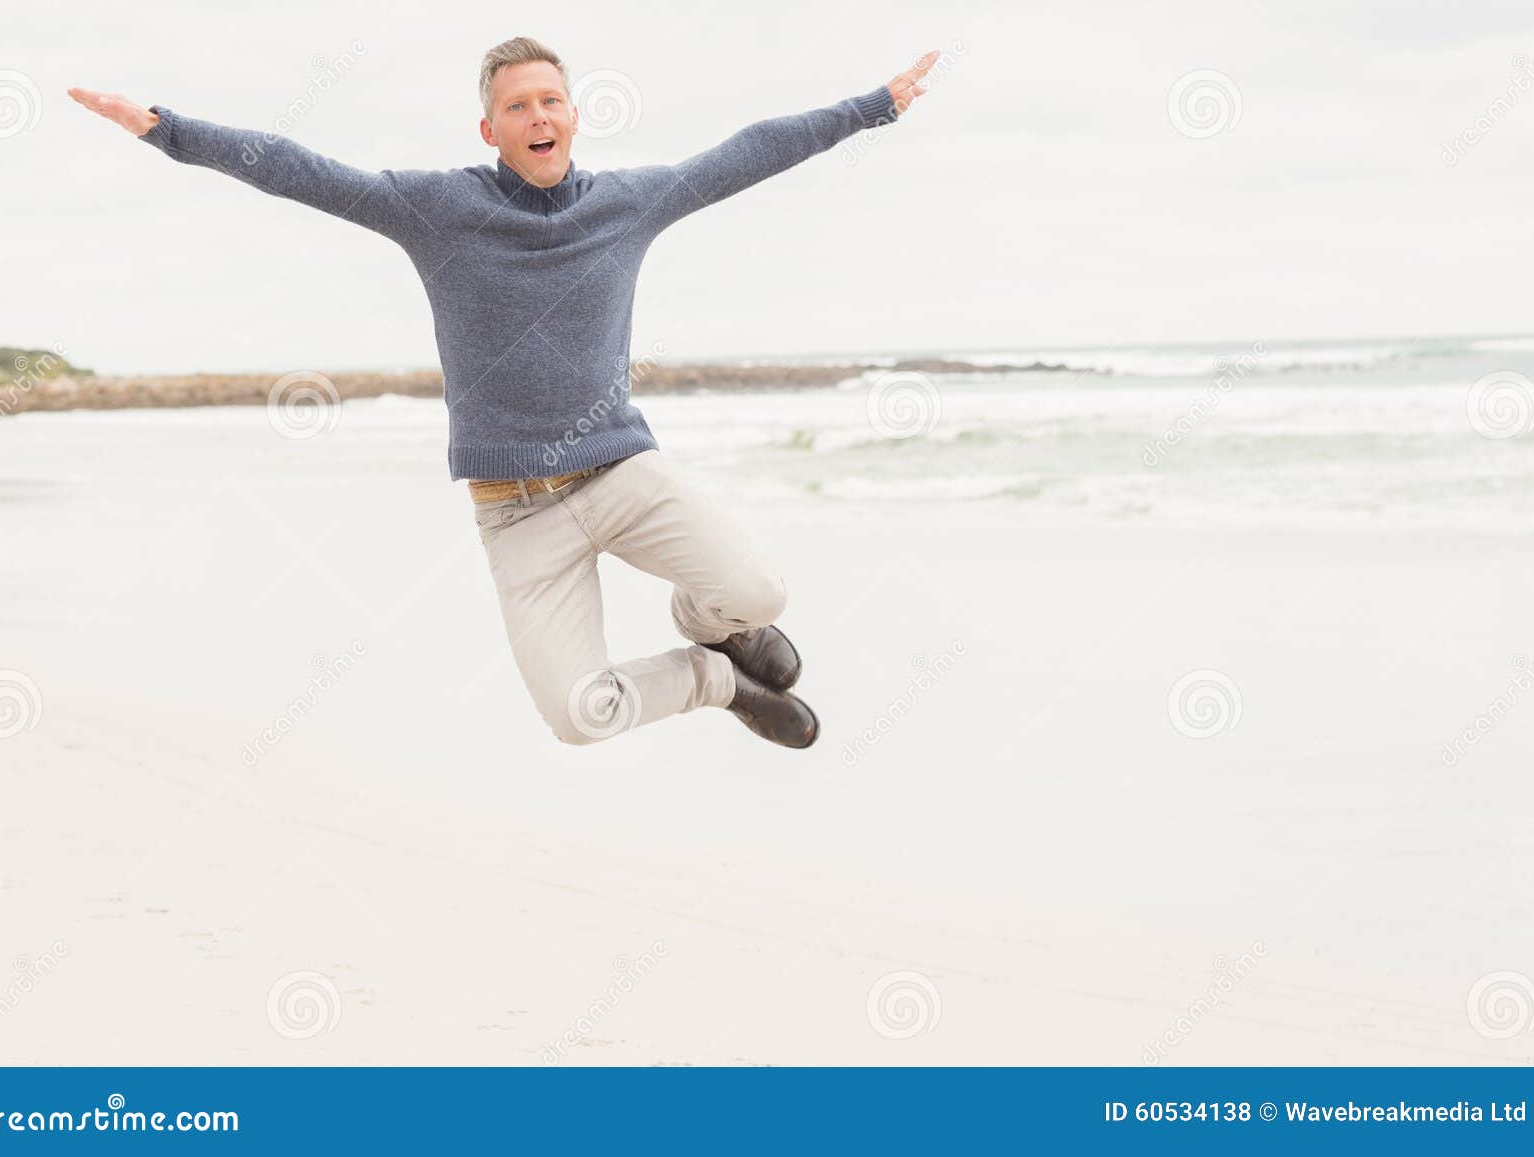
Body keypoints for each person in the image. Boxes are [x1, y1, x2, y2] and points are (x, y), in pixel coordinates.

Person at [69, 37, 937, 750]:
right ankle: (712, 677)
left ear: (573, 116)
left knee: (761, 593)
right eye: (517, 106)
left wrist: (873, 106)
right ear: (489, 129)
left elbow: (746, 153)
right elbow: (301, 171)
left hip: (621, 474)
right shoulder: (436, 210)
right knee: (579, 717)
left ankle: (712, 623)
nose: (537, 116)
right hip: (517, 516)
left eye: (550, 100)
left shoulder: (629, 203)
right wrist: (164, 128)